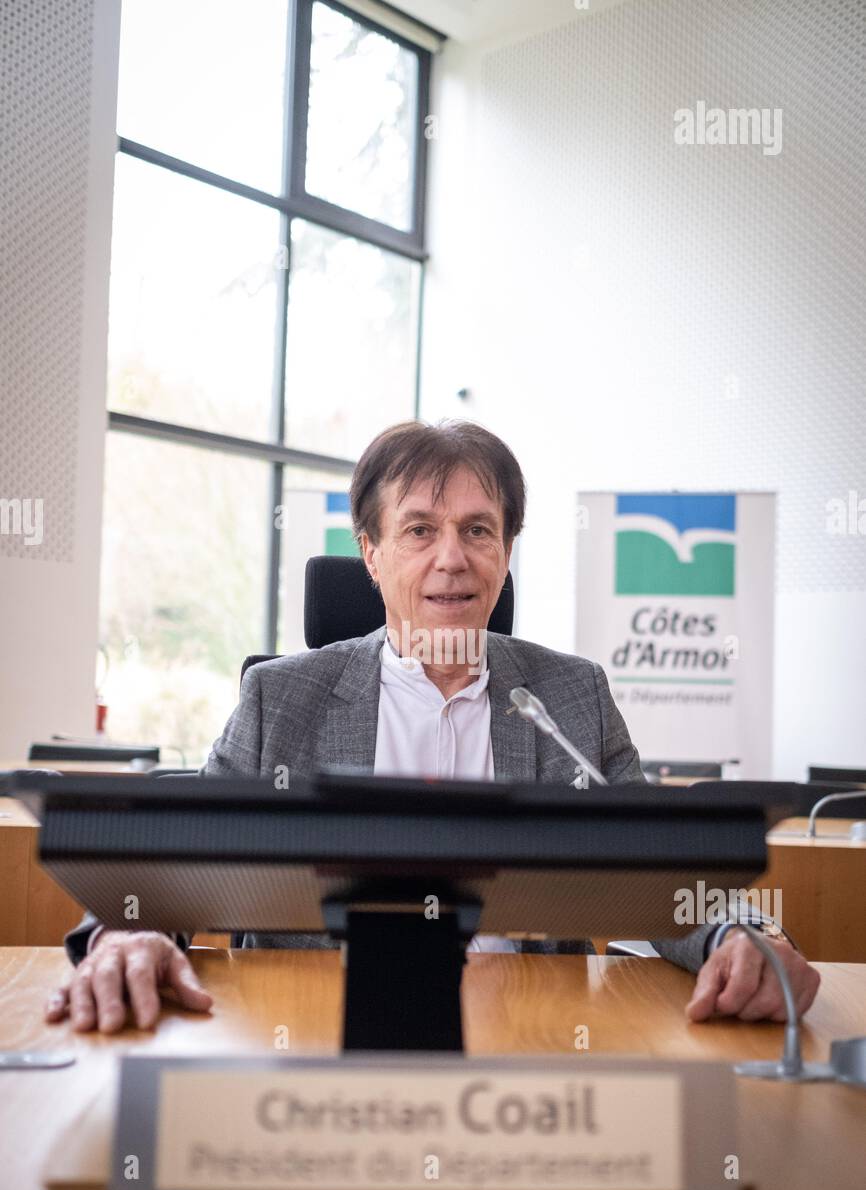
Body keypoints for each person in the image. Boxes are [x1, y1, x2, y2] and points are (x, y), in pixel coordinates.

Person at [48, 419, 820, 1033]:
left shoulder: (570, 697)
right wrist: (127, 933)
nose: (453, 558)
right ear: (372, 554)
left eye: (479, 531)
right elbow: (168, 867)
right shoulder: (279, 701)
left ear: (507, 553)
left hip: (529, 1027)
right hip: (312, 1025)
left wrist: (738, 935)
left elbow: (664, 870)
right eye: (419, 530)